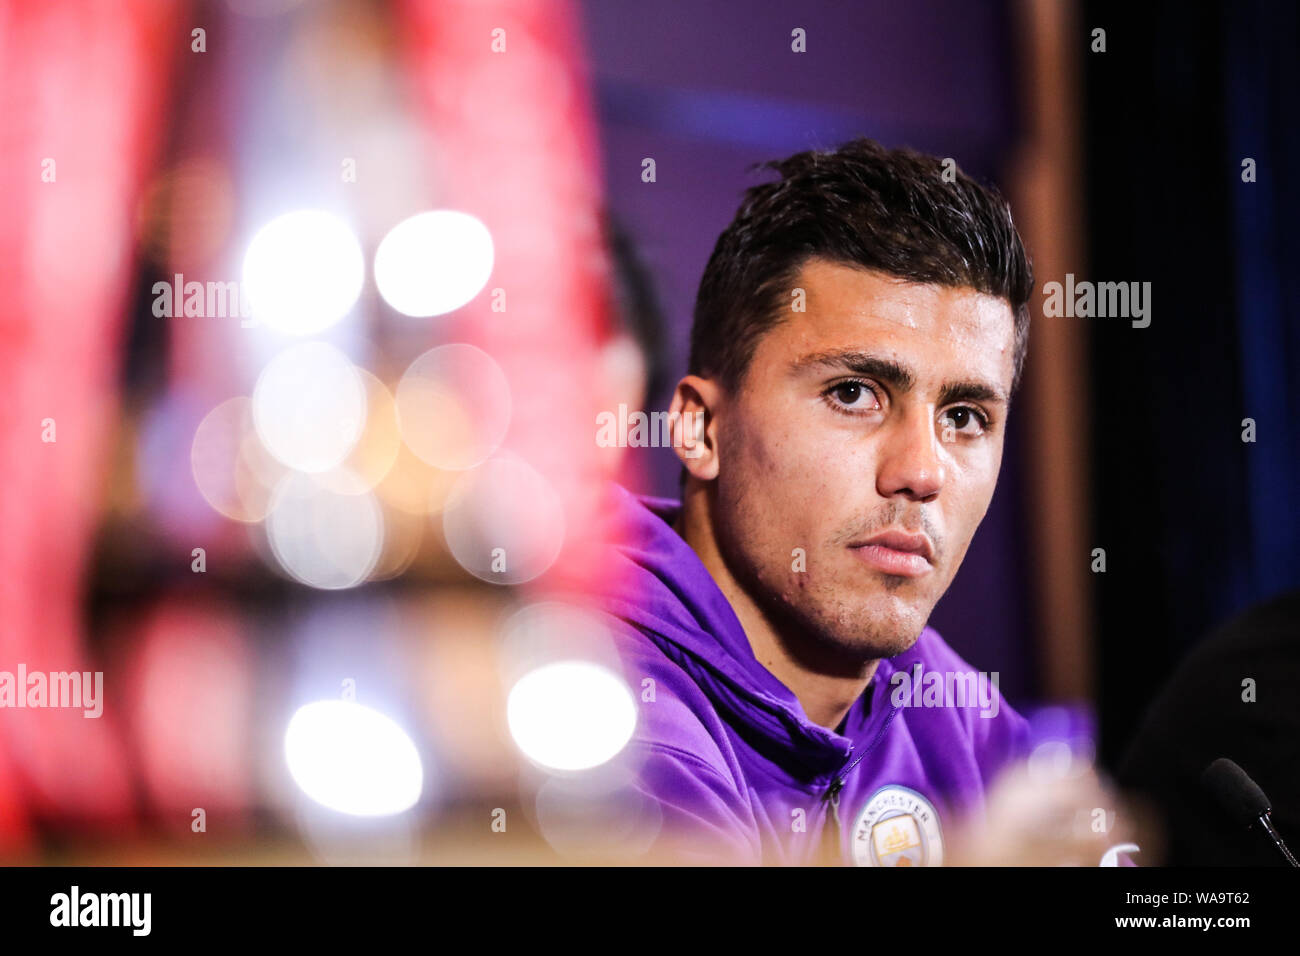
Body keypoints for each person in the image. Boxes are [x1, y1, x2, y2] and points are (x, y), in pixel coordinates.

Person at [593, 137, 1037, 865]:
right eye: (854, 394)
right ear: (702, 429)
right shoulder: (605, 709)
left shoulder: (953, 712)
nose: (921, 472)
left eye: (963, 416)